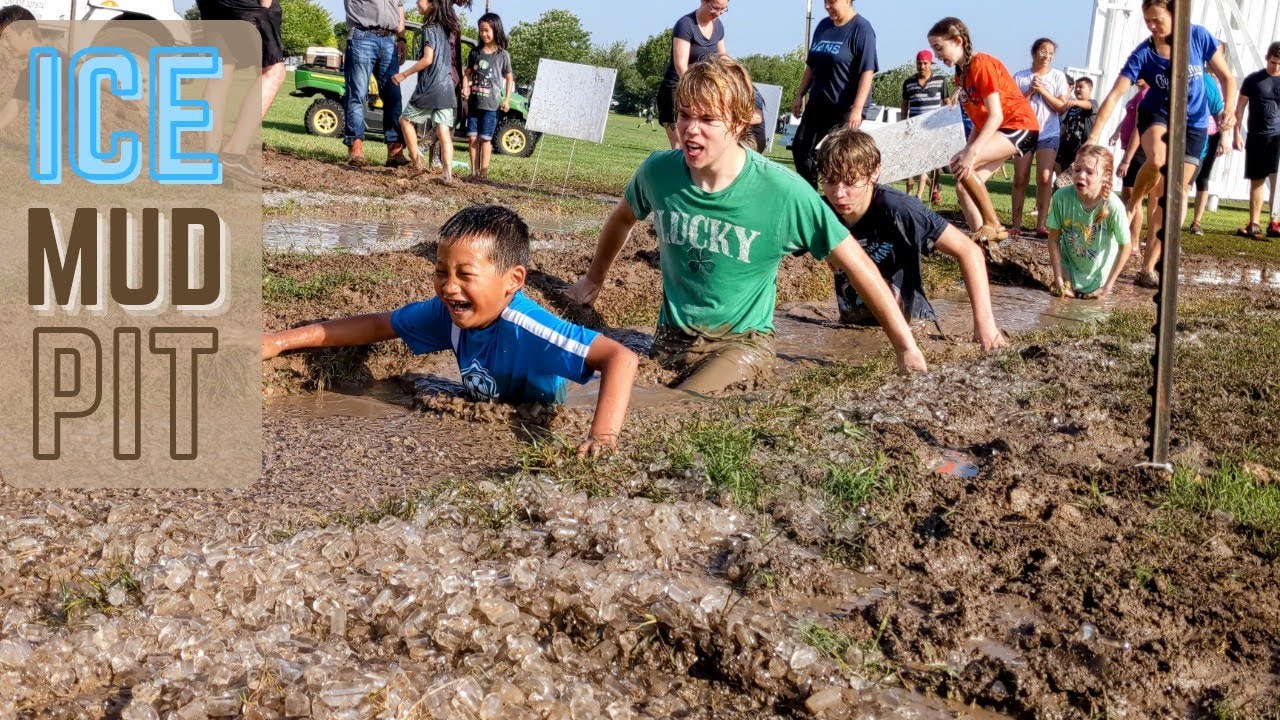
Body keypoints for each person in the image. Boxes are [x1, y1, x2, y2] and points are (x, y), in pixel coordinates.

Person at [566, 55, 927, 394]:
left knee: (672, 404)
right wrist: (593, 279)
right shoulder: (658, 173)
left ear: (739, 124)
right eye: (685, 115)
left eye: (708, 120)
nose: (691, 131)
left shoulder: (782, 192)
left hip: (742, 345)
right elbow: (621, 218)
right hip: (671, 338)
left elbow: (858, 264)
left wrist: (905, 348)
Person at [261, 205, 639, 457]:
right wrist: (279, 342)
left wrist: (601, 438)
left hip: (536, 416)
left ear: (513, 281)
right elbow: (378, 325)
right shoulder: (448, 314)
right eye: (442, 272)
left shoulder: (531, 328)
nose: (449, 287)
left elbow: (621, 358)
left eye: (465, 275)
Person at [1087, 0, 1236, 286]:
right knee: (1156, 160)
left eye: (1157, 20)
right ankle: (1133, 204)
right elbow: (1116, 94)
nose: (1152, 27)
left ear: (1175, 14)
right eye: (1147, 21)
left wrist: (1228, 111)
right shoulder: (1145, 53)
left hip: (1193, 125)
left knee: (1172, 200)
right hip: (1157, 115)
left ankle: (1147, 268)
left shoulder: (1198, 36)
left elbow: (1228, 78)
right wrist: (1095, 135)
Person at [815, 127, 1005, 349]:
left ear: (874, 173)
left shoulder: (900, 209)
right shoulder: (821, 213)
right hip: (854, 325)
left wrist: (985, 326)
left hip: (914, 327)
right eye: (830, 181)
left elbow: (969, 251)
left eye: (850, 182)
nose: (838, 193)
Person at [928, 17, 1039, 248]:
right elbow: (979, 120)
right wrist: (969, 148)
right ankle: (984, 244)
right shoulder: (961, 74)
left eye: (939, 48)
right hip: (999, 129)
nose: (937, 55)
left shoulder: (981, 64)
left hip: (1019, 126)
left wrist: (972, 152)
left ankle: (994, 224)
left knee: (960, 163)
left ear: (958, 41)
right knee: (962, 184)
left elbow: (996, 115)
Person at [790, 0, 877, 188]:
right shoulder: (823, 26)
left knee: (838, 156)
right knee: (800, 149)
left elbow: (867, 72)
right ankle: (811, 196)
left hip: (845, 107)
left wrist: (858, 108)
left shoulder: (862, 29)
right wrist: (800, 94)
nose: (827, 6)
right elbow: (811, 65)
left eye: (832, 2)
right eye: (825, 2)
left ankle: (839, 203)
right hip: (818, 101)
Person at [1046, 145, 1133, 299]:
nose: (1080, 176)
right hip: (1068, 276)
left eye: (1090, 172)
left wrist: (1107, 287)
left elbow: (1126, 246)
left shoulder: (1113, 205)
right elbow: (1053, 239)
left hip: (1099, 280)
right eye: (1077, 169)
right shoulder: (1061, 198)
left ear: (1106, 176)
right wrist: (1059, 278)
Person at [391, 0, 457, 184]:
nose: (417, 3)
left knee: (405, 120)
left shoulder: (429, 28)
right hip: (446, 86)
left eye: (421, 0)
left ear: (433, 5)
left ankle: (418, 165)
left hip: (430, 86)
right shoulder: (445, 28)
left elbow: (428, 59)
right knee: (443, 130)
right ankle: (448, 174)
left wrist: (404, 74)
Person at [1012, 39, 1072, 239]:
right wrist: (1030, 90)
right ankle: (1016, 224)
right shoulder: (1020, 77)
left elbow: (1061, 107)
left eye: (1051, 53)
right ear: (1034, 52)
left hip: (1048, 131)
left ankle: (1041, 225)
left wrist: (1043, 90)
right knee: (1020, 176)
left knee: (1045, 177)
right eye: (1043, 51)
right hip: (1024, 131)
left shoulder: (1058, 77)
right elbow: (1012, 106)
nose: (1047, 56)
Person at [343, 0, 409, 167]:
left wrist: (402, 39)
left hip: (389, 40)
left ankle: (395, 150)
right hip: (362, 35)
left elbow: (399, 6)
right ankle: (355, 148)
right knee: (357, 93)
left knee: (393, 96)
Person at [657, 0, 729, 151]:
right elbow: (680, 66)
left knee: (698, 147)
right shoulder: (685, 24)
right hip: (676, 91)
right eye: (715, 7)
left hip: (703, 93)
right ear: (703, 1)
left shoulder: (719, 26)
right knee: (680, 147)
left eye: (723, 9)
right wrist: (694, 93)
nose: (718, 13)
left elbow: (723, 60)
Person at [1232, 41, 1280, 239]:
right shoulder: (1253, 80)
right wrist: (1236, 133)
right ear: (1267, 58)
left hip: (1277, 138)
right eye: (1273, 62)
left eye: (1279, 64)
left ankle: (1274, 222)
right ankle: (1254, 223)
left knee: (1277, 184)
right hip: (1256, 137)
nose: (1275, 67)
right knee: (1257, 182)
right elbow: (1240, 108)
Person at [462, 12, 513, 183]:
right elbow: (467, 74)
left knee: (485, 139)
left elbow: (509, 77)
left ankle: (483, 173)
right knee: (472, 138)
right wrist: (465, 87)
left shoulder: (502, 55)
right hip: (474, 104)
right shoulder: (475, 52)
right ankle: (474, 172)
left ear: (495, 30)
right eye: (481, 31)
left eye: (487, 30)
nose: (484, 34)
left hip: (491, 106)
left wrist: (506, 99)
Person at [901, 49, 947, 206]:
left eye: (925, 63)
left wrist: (945, 122)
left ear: (931, 64)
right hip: (914, 128)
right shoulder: (909, 83)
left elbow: (946, 104)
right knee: (915, 163)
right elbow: (904, 105)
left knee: (934, 164)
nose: (922, 67)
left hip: (933, 128)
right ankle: (920, 193)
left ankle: (933, 189)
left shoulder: (940, 80)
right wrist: (903, 124)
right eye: (919, 63)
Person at [1188, 72, 1226, 236]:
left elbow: (1222, 113)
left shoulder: (1215, 83)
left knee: (1203, 178)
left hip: (1211, 135)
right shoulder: (1197, 75)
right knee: (1187, 179)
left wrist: (1224, 137)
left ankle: (1197, 222)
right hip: (1194, 133)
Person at [0, 5, 36, 134]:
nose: (4, 45)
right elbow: (9, 112)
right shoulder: (29, 73)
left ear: (27, 33)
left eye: (7, 38)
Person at [1056, 77, 1098, 178]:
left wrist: (1075, 102)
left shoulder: (1092, 103)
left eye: (1081, 87)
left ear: (1090, 89)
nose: (1077, 89)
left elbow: (1088, 106)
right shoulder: (1072, 108)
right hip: (1066, 148)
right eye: (1076, 87)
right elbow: (1064, 126)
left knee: (1075, 178)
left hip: (1081, 149)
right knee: (1061, 177)